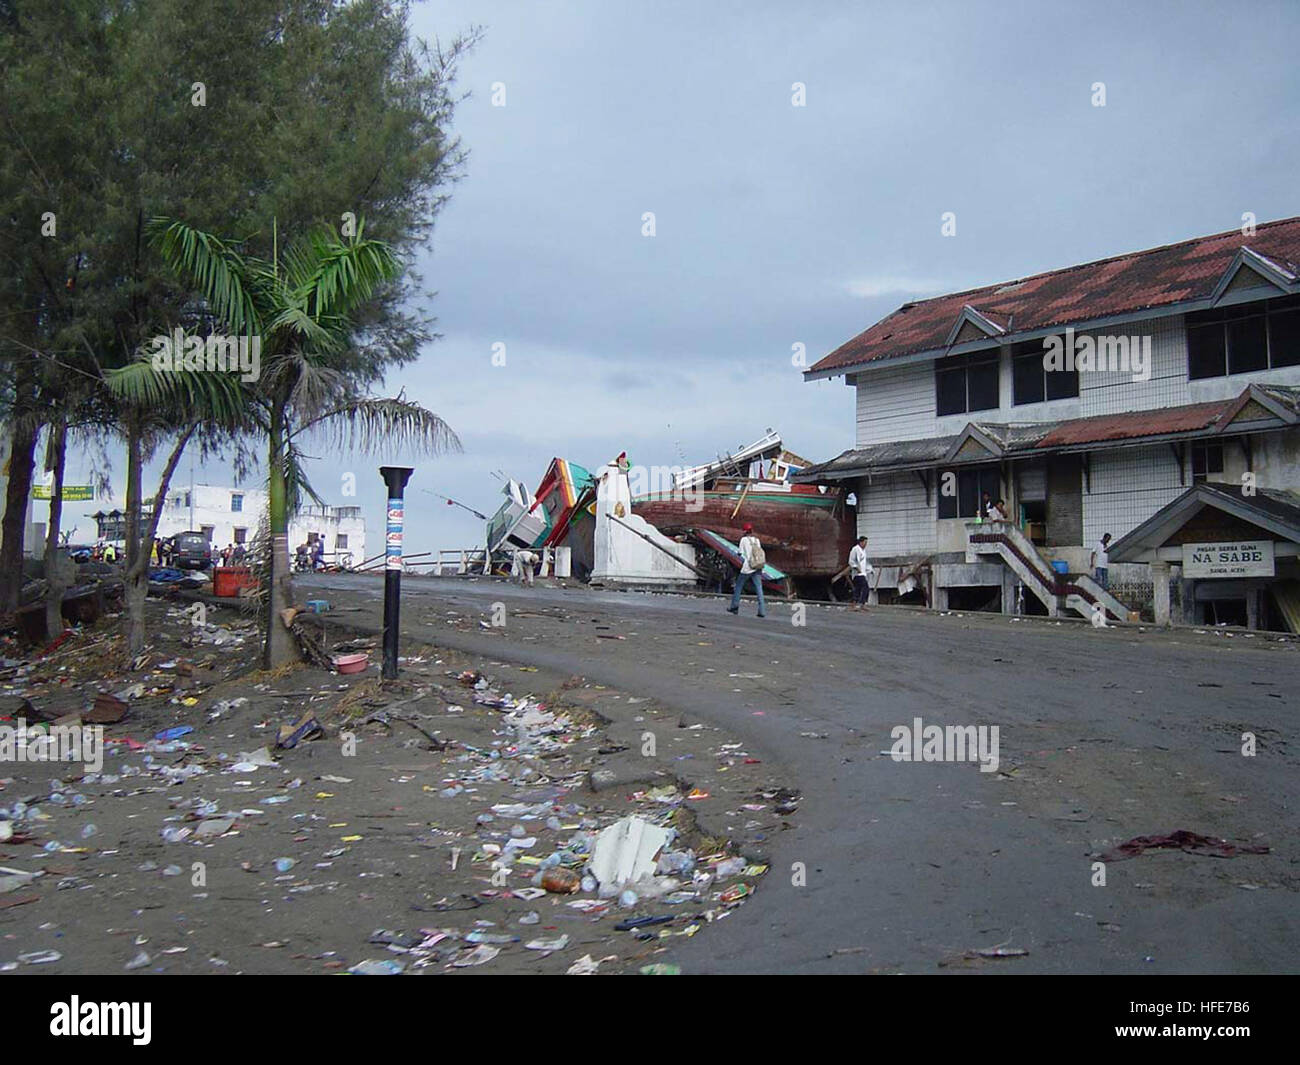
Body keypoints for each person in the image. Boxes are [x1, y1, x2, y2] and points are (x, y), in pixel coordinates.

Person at [727, 522, 766, 617]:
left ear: (744, 531)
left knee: (739, 586)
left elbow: (740, 553)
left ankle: (734, 607)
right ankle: (762, 611)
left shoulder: (743, 540)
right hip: (757, 567)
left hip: (748, 567)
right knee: (759, 588)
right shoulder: (757, 540)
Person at [848, 535, 873, 611]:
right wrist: (856, 568)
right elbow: (851, 561)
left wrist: (869, 570)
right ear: (861, 542)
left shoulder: (863, 551)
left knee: (857, 589)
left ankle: (854, 604)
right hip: (857, 574)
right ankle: (862, 603)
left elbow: (864, 563)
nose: (866, 544)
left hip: (862, 573)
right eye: (865, 542)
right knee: (865, 588)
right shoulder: (855, 549)